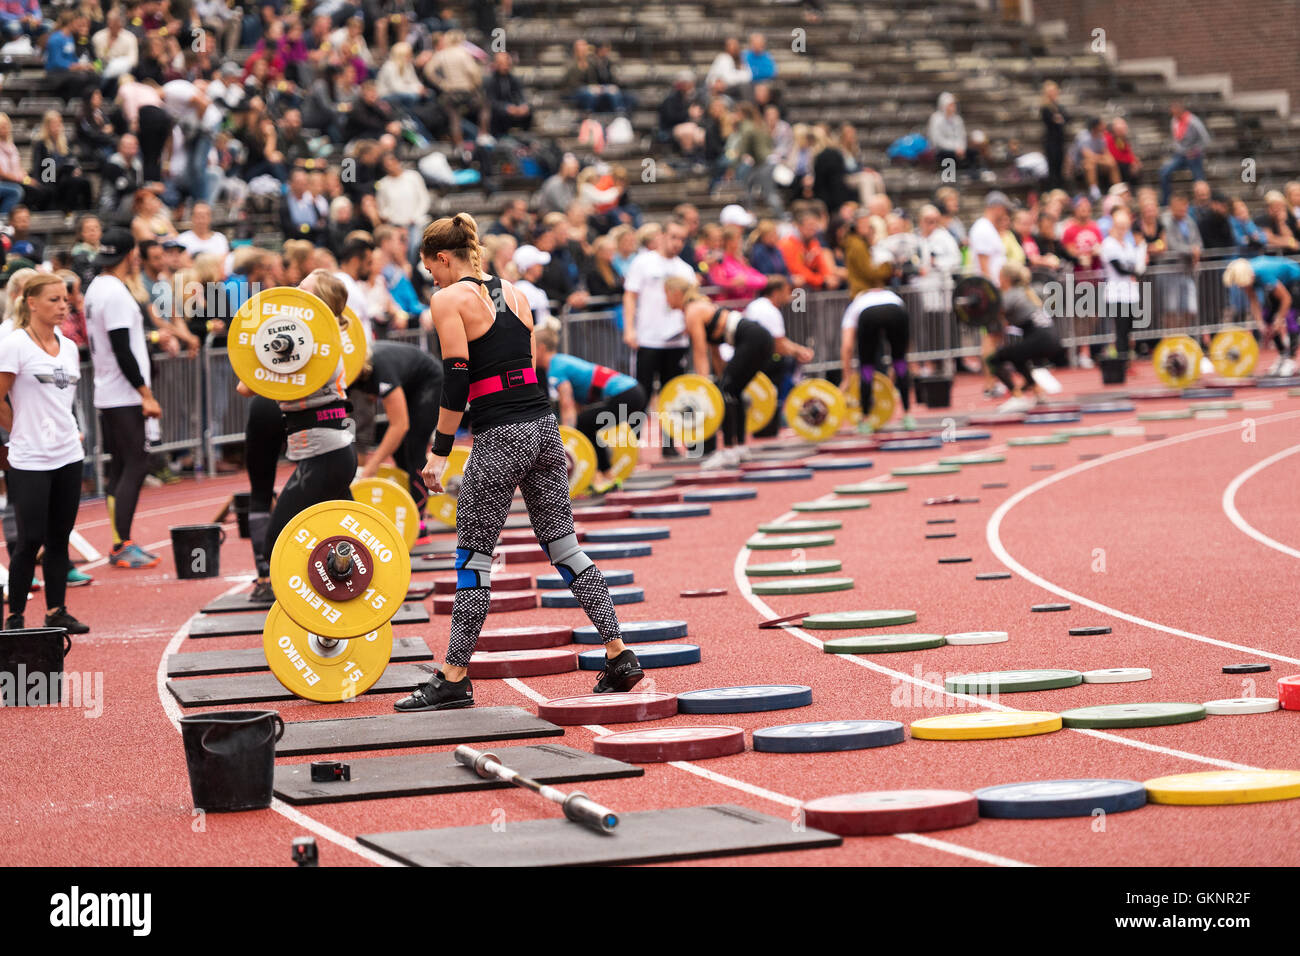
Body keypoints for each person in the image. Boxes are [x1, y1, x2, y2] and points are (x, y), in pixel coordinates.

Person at [396, 214, 641, 711]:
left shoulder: (447, 300)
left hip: (501, 437)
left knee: (473, 560)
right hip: (545, 431)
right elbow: (522, 369)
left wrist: (439, 452)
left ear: (443, 258)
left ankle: (453, 676)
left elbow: (457, 381)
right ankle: (619, 654)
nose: (432, 283)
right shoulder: (517, 292)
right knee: (566, 550)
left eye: (431, 271)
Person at [237, 270, 357, 602]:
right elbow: (246, 386)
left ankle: (309, 602)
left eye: (303, 290)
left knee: (278, 540)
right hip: (327, 455)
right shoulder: (301, 345)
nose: (294, 294)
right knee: (349, 533)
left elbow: (245, 386)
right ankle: (346, 596)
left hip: (326, 457)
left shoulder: (313, 348)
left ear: (320, 304)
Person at [0, 274, 89, 633]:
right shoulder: (15, 344)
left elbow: (63, 400)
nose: (62, 306)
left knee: (59, 537)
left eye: (64, 300)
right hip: (29, 457)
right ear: (31, 302)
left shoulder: (68, 346)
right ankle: (16, 616)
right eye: (53, 300)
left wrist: (71, 429)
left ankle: (56, 611)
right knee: (29, 538)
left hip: (68, 453)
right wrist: (19, 426)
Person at [83, 229, 162, 569]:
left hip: (109, 390)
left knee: (121, 467)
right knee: (136, 464)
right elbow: (121, 348)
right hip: (122, 392)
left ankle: (120, 540)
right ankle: (122, 542)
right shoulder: (114, 293)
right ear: (132, 255)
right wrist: (144, 392)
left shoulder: (97, 288)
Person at [667, 276, 776, 468]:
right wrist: (718, 380)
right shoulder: (699, 307)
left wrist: (705, 387)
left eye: (666, 294)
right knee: (732, 391)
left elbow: (700, 353)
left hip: (754, 339)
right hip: (761, 340)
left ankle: (728, 451)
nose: (665, 300)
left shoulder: (692, 311)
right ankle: (740, 448)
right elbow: (714, 352)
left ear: (676, 293)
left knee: (725, 391)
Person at [534, 321, 647, 491]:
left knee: (583, 425)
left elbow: (567, 404)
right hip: (634, 392)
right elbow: (578, 405)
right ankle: (605, 473)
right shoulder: (561, 361)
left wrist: (568, 436)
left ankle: (603, 475)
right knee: (586, 424)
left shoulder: (555, 367)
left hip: (627, 394)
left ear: (541, 348)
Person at [349, 339, 445, 513]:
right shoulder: (351, 373)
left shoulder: (380, 369)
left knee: (414, 447)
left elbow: (400, 426)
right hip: (406, 382)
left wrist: (372, 466)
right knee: (397, 447)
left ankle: (419, 521)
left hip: (429, 381)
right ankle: (412, 489)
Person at [622, 217, 698, 434]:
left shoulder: (685, 269)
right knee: (641, 393)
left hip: (676, 341)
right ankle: (633, 441)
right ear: (662, 236)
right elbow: (630, 296)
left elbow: (692, 302)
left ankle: (670, 443)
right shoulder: (643, 262)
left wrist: (688, 325)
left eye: (682, 239)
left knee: (673, 394)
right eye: (673, 237)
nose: (677, 243)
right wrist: (629, 328)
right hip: (648, 338)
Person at [987, 263, 1063, 412]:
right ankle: (1037, 393)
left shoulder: (1011, 294)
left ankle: (1018, 397)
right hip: (1052, 337)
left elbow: (993, 313)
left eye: (1000, 276)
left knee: (994, 359)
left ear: (1005, 279)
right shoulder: (1026, 291)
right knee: (1016, 357)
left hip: (1042, 338)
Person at [839, 284, 914, 433]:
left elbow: (847, 346)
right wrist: (899, 367)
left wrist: (846, 378)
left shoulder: (855, 305)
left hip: (869, 315)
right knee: (900, 363)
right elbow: (906, 343)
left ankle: (865, 420)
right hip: (896, 312)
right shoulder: (894, 298)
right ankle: (907, 416)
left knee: (867, 367)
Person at [1222, 256, 1300, 376]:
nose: (1239, 287)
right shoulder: (1246, 279)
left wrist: (1279, 319)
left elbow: (1286, 299)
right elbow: (1254, 301)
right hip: (1280, 283)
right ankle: (1283, 355)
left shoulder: (1263, 274)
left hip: (1295, 280)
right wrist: (1260, 324)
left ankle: (1291, 359)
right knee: (1267, 317)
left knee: (1290, 317)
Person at [1100, 207, 1147, 359]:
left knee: (1128, 329)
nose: (1122, 231)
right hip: (1116, 293)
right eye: (1119, 227)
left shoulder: (1127, 245)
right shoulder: (1108, 244)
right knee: (1120, 330)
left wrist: (1142, 248)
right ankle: (1121, 360)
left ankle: (1126, 358)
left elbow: (1137, 264)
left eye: (1124, 228)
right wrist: (1135, 272)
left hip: (1130, 293)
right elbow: (1120, 269)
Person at [1159, 102, 1210, 206]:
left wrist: (1195, 150)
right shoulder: (1174, 121)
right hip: (1180, 155)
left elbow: (1205, 140)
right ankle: (1165, 201)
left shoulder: (1193, 121)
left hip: (1194, 155)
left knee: (1199, 181)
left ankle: (1203, 203)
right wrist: (1179, 150)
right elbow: (1176, 140)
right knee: (1164, 172)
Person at [1040, 81, 1068, 190]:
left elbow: (1066, 118)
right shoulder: (1045, 107)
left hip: (1059, 139)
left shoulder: (1058, 106)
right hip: (1051, 140)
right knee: (1052, 165)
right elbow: (1052, 121)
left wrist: (1059, 119)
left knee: (1060, 164)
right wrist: (1058, 119)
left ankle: (1060, 188)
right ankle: (1053, 188)